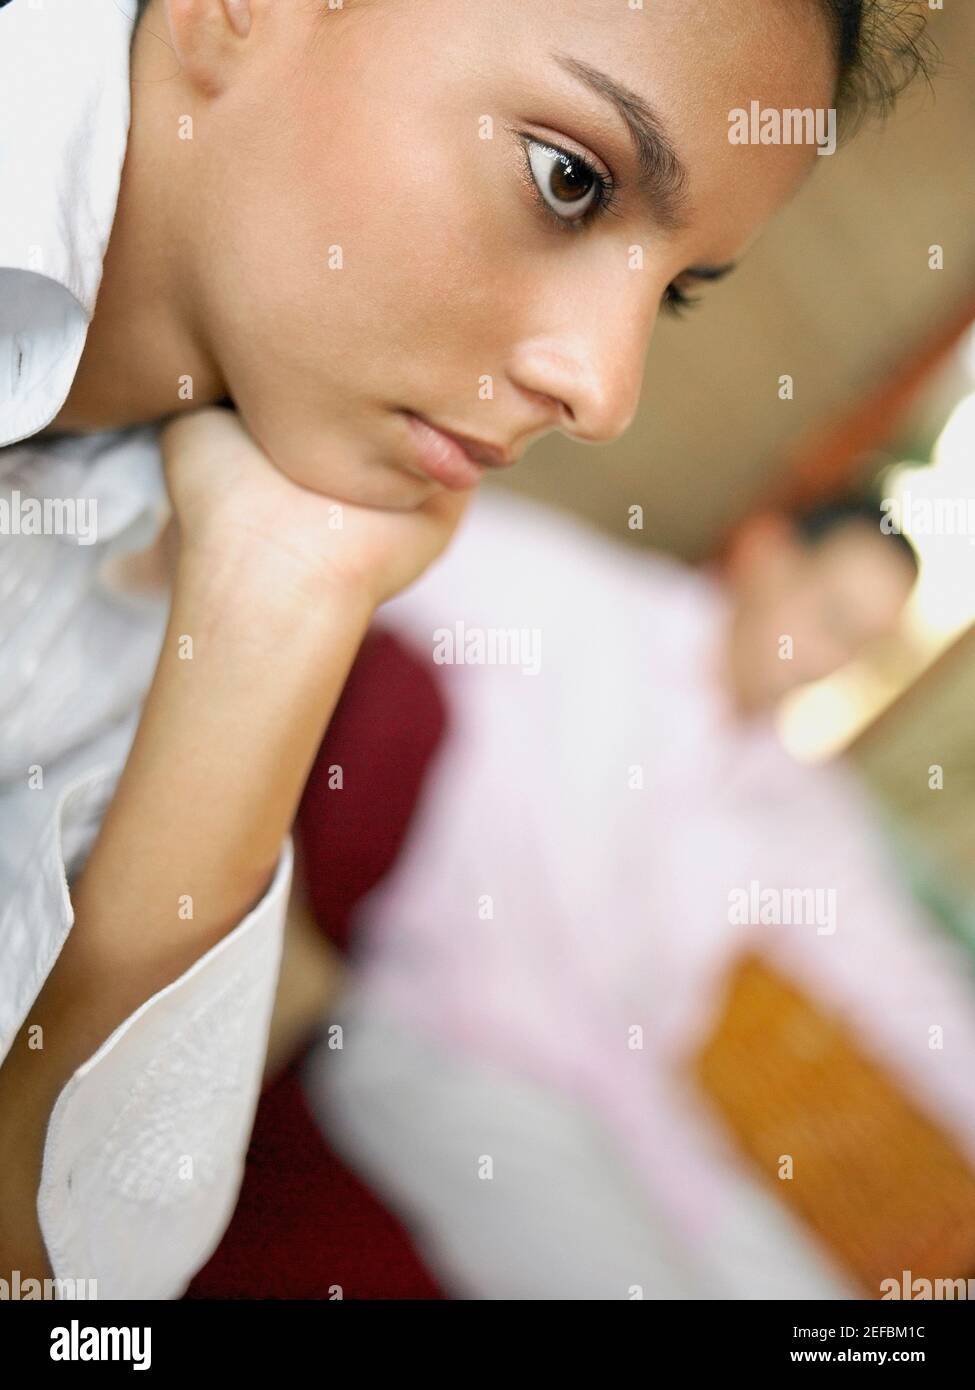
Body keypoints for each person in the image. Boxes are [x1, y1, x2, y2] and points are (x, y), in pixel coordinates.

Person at [0, 0, 933, 1297]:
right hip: (447, 1054)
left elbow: (62, 1286)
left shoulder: (208, 500)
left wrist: (280, 608)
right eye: (568, 179)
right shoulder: (566, 600)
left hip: (625, 1111)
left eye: (668, 294)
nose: (603, 394)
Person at [302, 487, 975, 1299]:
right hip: (456, 1051)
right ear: (762, 553)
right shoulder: (582, 609)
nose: (827, 658)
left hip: (640, 1114)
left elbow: (904, 986)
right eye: (829, 613)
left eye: (858, 646)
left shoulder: (800, 803)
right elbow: (352, 526)